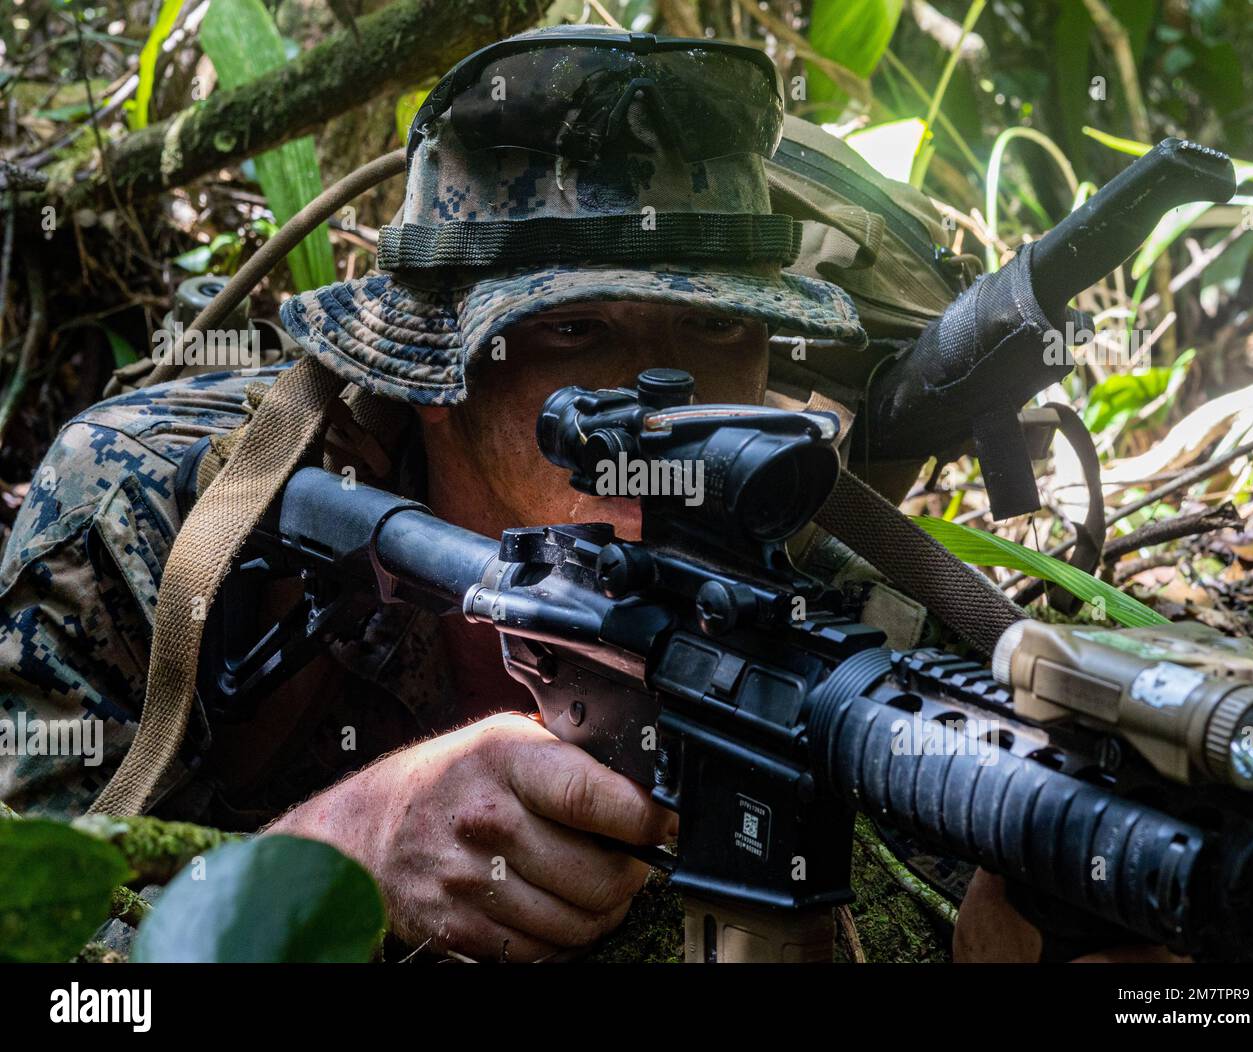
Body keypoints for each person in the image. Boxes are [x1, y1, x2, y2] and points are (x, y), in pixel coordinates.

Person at [0, 25, 1169, 963]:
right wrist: (341, 858)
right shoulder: (159, 506)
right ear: (433, 372)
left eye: (719, 328)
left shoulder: (784, 567)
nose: (664, 397)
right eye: (570, 331)